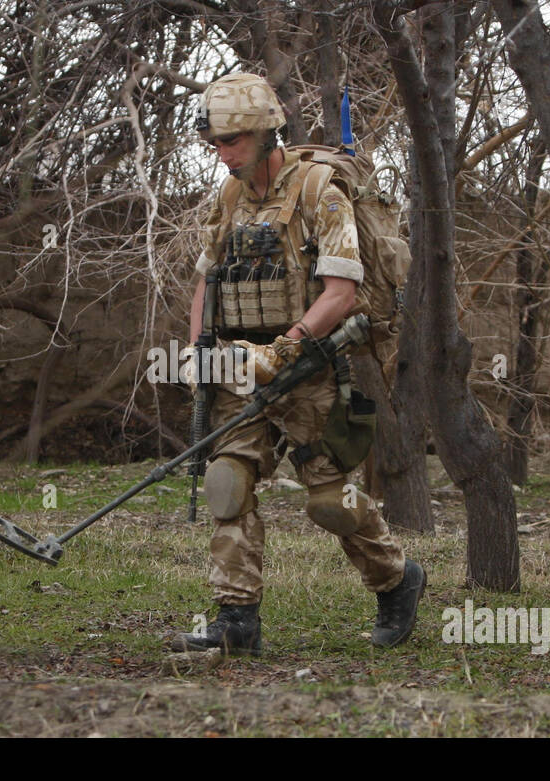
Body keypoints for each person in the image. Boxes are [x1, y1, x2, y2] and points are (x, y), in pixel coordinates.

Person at [171, 73, 425, 654]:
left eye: (231, 140)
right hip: (240, 362)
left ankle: (396, 578)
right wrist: (198, 352)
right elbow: (206, 283)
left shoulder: (319, 192)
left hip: (309, 363)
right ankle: (237, 620)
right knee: (228, 482)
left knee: (330, 499)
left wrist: (282, 350)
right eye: (214, 142)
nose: (221, 152)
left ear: (265, 134)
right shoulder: (229, 198)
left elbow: (340, 293)